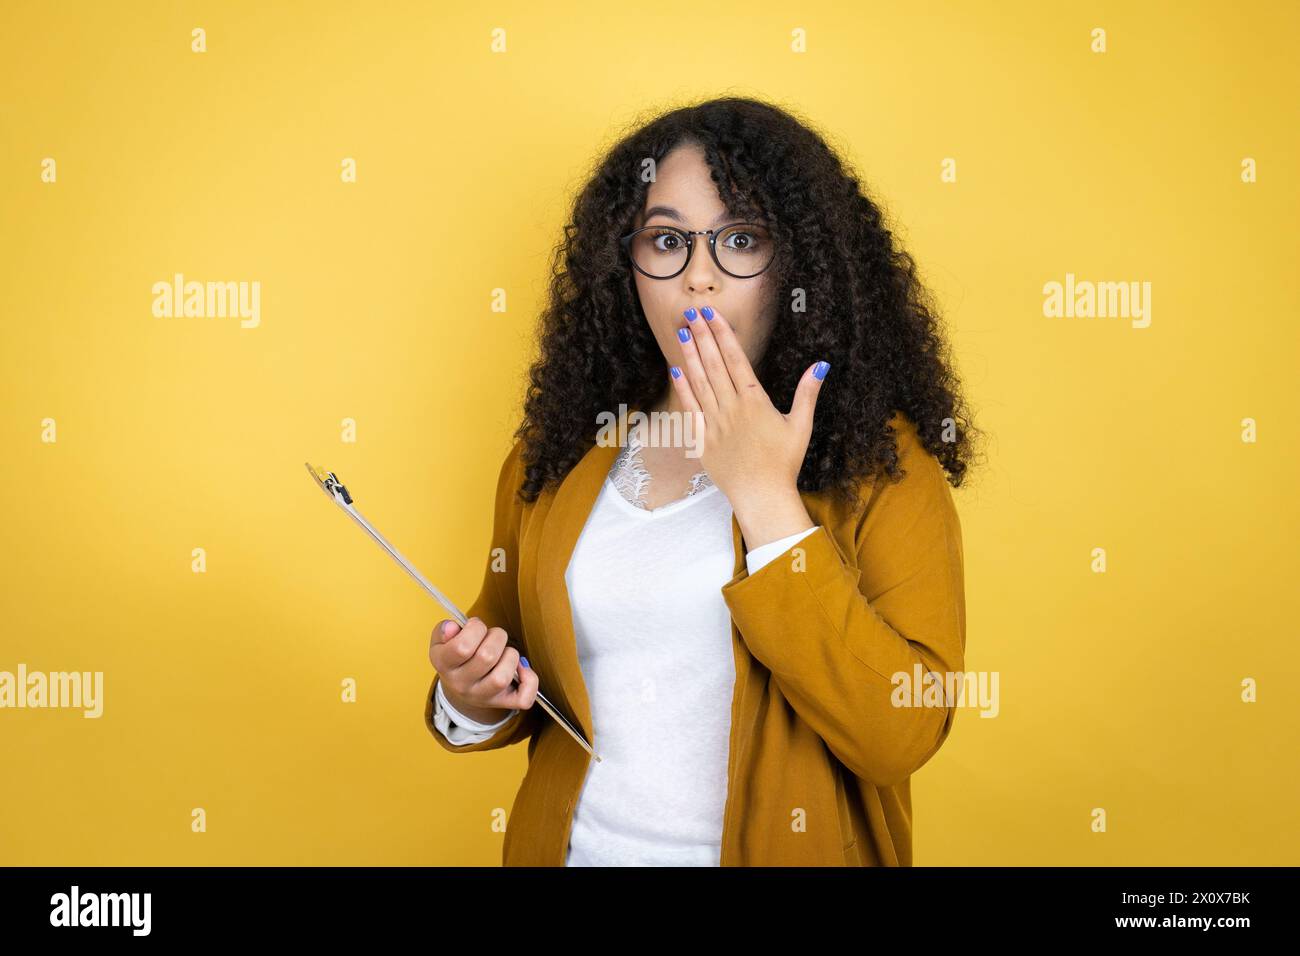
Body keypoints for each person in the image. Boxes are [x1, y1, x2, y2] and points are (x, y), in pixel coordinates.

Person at [424, 95, 980, 866]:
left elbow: (900, 734)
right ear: (626, 268)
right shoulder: (554, 455)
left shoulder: (883, 466)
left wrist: (766, 500)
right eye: (667, 241)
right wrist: (467, 698)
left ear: (799, 267)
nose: (700, 279)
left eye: (740, 240)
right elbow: (513, 668)